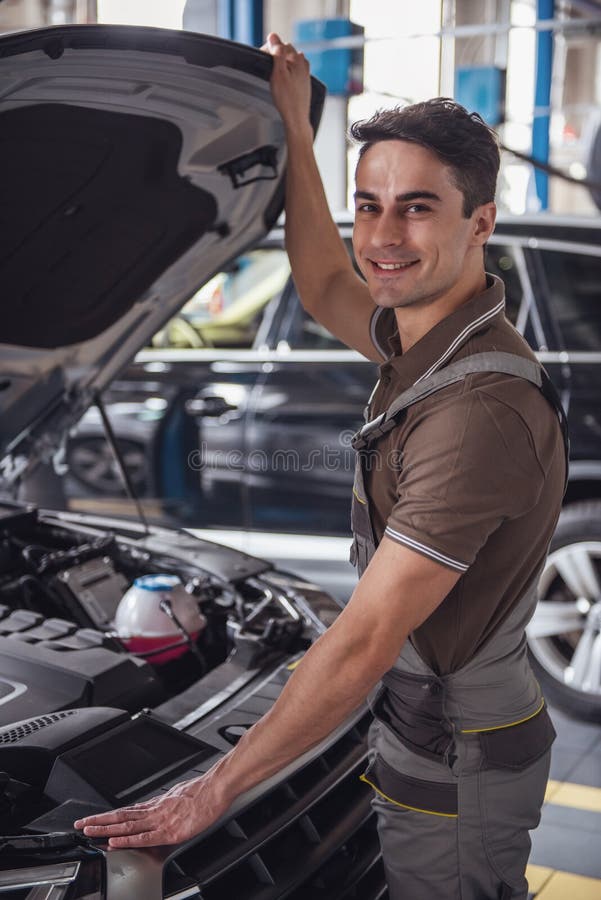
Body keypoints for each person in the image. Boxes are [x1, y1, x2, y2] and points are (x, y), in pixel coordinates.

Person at [75, 34, 568, 900]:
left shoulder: (477, 414)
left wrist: (212, 793)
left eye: (415, 208)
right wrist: (301, 133)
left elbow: (365, 640)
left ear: (478, 222)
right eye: (366, 204)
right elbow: (321, 282)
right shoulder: (426, 336)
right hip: (433, 731)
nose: (381, 236)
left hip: (456, 758)